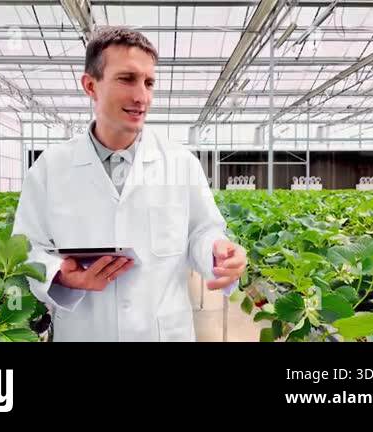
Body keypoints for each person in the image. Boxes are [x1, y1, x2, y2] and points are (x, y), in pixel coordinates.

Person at [13, 26, 247, 342]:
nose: (142, 97)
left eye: (149, 82)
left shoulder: (180, 163)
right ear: (90, 85)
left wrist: (218, 252)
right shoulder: (49, 168)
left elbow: (201, 232)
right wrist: (60, 274)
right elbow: (26, 247)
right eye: (127, 79)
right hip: (85, 332)